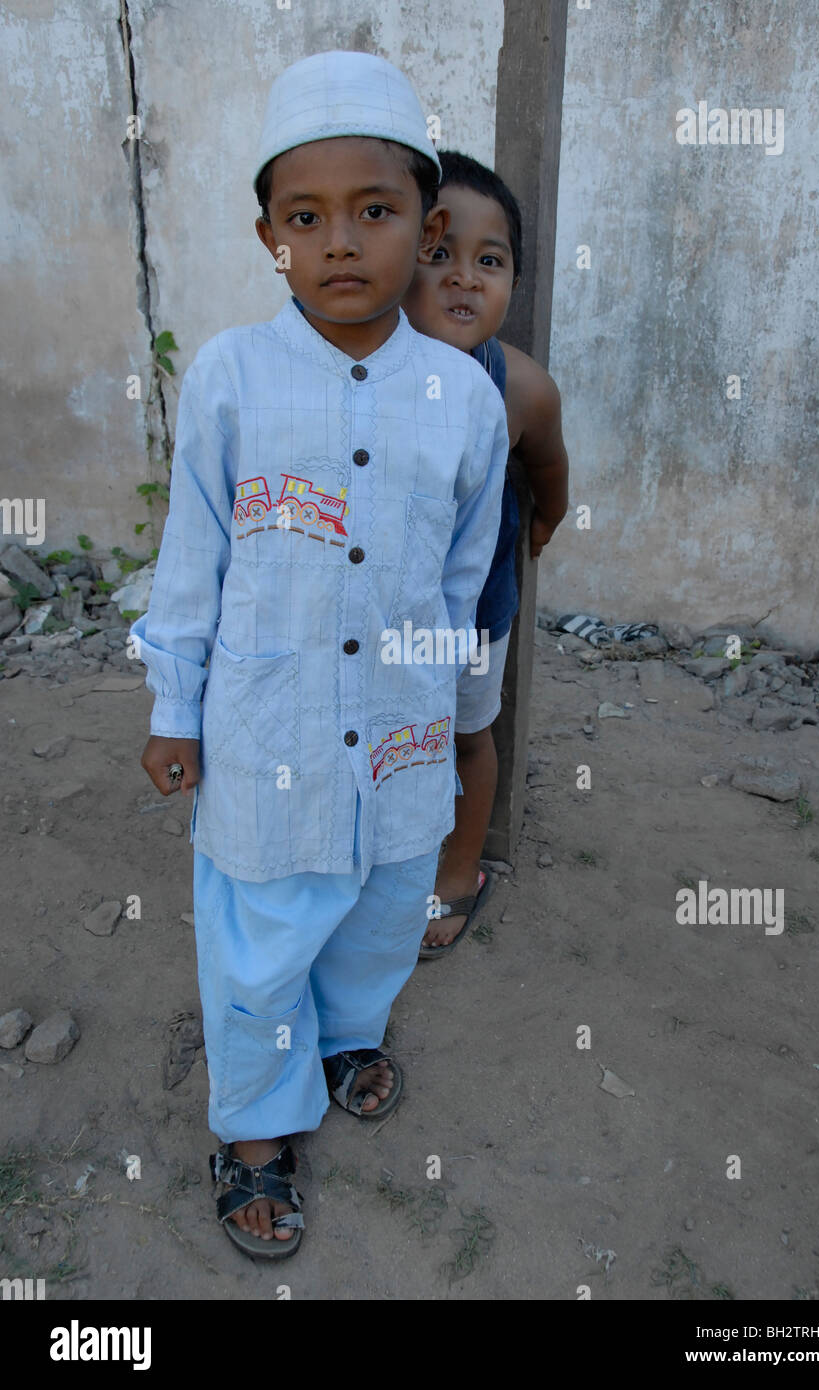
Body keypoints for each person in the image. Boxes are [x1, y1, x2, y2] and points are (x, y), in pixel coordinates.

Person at [130, 54, 509, 1258]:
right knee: (260, 938)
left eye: (375, 211)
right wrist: (176, 704)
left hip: (398, 730)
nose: (340, 241)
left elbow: (462, 576)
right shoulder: (232, 377)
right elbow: (193, 554)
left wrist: (454, 711)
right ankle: (255, 1131)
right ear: (270, 239)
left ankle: (345, 1037)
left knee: (381, 912)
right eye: (306, 218)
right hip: (270, 730)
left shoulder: (465, 400)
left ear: (427, 228)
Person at [402, 151, 570, 958]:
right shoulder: (365, 376)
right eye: (439, 254)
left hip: (475, 616)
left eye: (490, 261)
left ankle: (458, 871)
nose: (464, 278)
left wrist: (542, 526)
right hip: (384, 615)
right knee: (388, 734)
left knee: (469, 736)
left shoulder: (522, 388)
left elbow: (550, 470)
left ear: (512, 279)